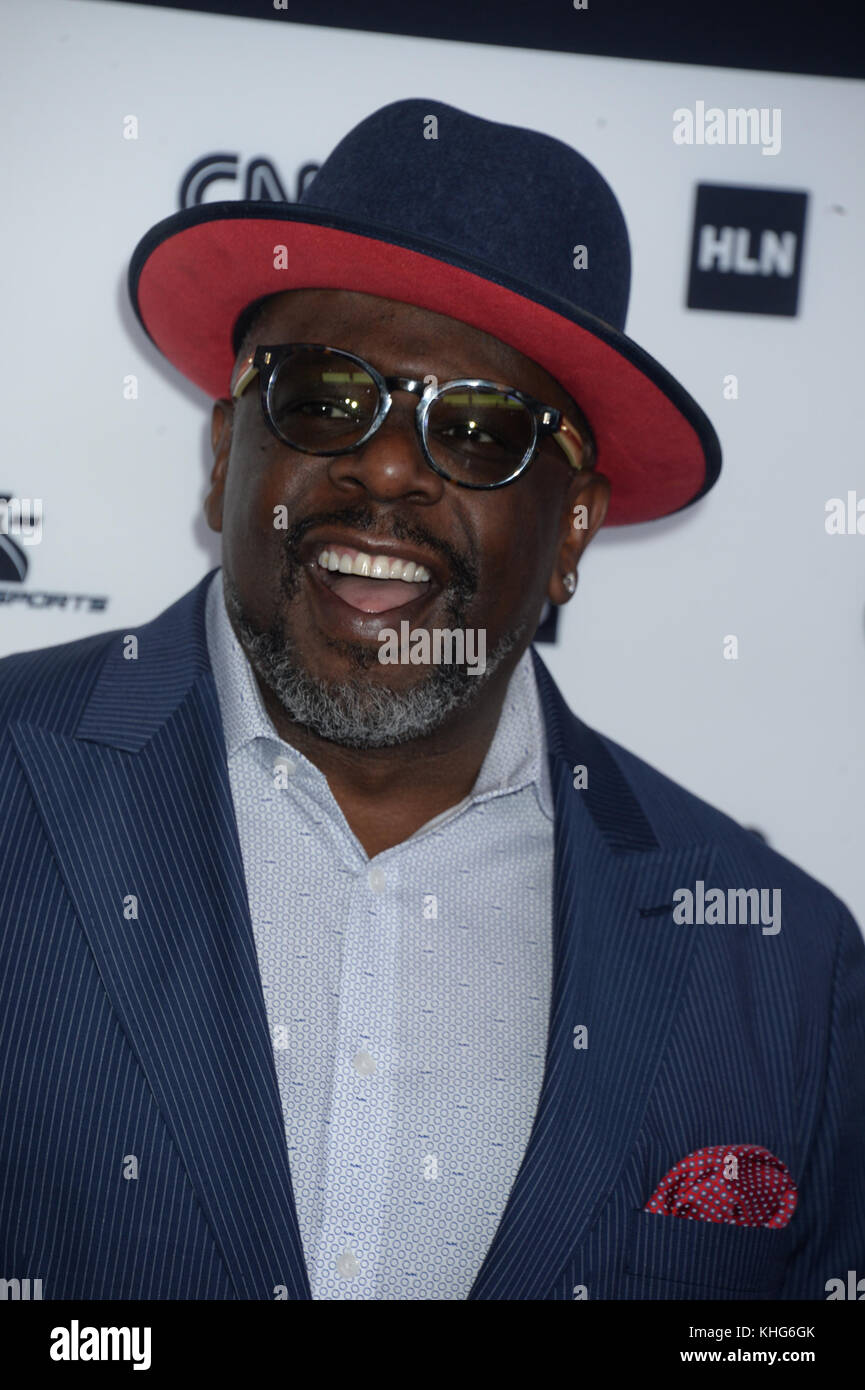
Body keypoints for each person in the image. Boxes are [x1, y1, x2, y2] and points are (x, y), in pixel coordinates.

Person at [0, 99, 862, 1302]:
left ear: (570, 528)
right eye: (320, 396)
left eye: (479, 426)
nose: (389, 467)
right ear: (221, 455)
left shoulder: (783, 968)